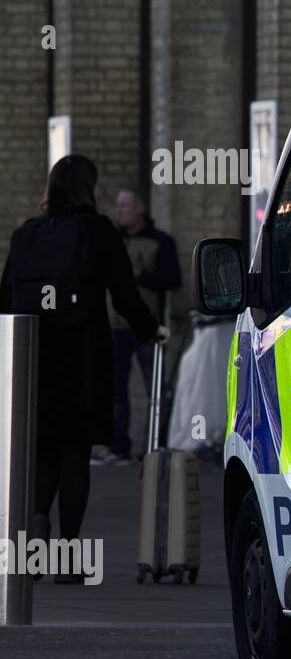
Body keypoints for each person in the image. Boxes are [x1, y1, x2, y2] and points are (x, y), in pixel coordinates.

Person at [0, 155, 167, 582]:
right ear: (85, 188)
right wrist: (152, 329)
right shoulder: (99, 231)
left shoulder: (26, 235)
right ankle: (69, 559)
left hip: (33, 358)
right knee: (75, 454)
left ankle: (36, 533)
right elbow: (125, 296)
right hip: (82, 355)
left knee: (40, 453)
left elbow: (5, 301)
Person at [105, 189, 181, 464]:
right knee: (115, 390)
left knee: (155, 390)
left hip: (149, 327)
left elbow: (172, 279)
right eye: (118, 205)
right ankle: (118, 449)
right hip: (115, 328)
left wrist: (140, 275)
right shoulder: (113, 240)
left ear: (140, 208)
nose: (120, 210)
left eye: (125, 205)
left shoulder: (160, 241)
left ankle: (155, 449)